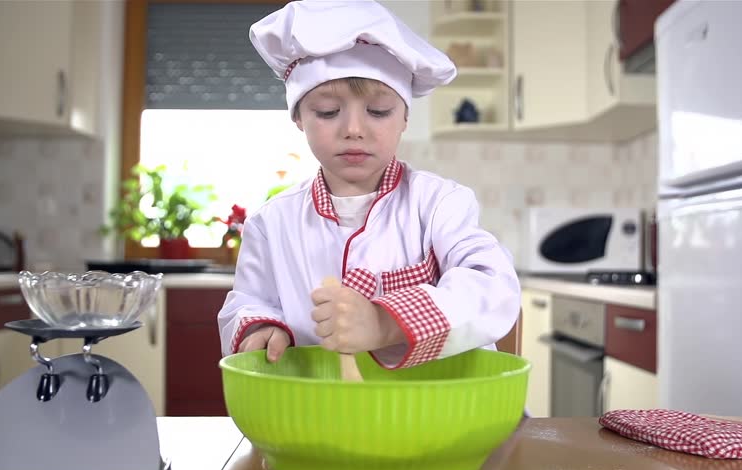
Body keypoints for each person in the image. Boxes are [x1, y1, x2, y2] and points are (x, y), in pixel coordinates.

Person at [217, 0, 521, 369]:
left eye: (378, 111)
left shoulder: (440, 203)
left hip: (432, 412)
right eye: (328, 112)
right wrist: (262, 328)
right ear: (298, 117)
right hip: (322, 413)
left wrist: (385, 322)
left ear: (405, 116)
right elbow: (249, 302)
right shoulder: (270, 223)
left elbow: (493, 287)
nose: (354, 130)